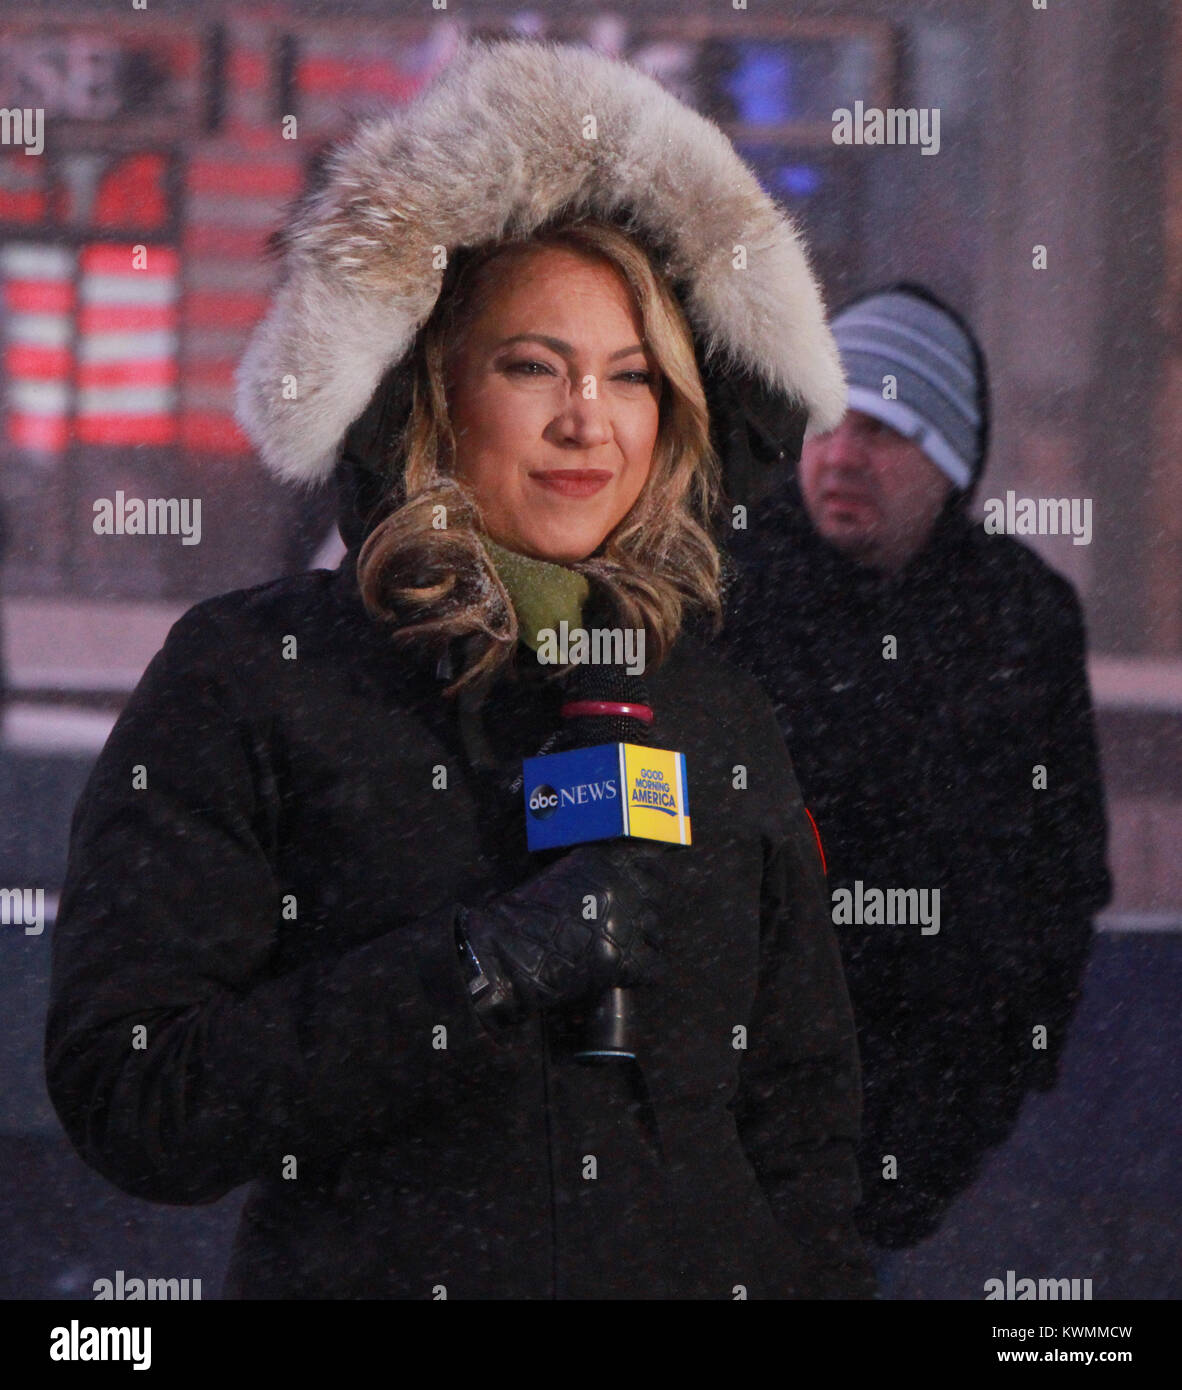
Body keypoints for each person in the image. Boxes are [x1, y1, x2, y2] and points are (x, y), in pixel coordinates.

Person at [45, 37, 873, 1300]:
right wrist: (474, 970)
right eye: (533, 365)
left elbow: (804, 1124)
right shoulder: (257, 675)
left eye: (631, 376)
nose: (587, 418)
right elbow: (136, 1091)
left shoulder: (714, 706)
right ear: (430, 392)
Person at [719, 283, 1113, 1266]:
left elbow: (1066, 868)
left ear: (950, 463)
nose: (843, 455)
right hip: (726, 1116)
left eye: (885, 431)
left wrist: (1008, 1056)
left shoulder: (1022, 620)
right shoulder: (722, 589)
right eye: (825, 424)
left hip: (942, 1128)